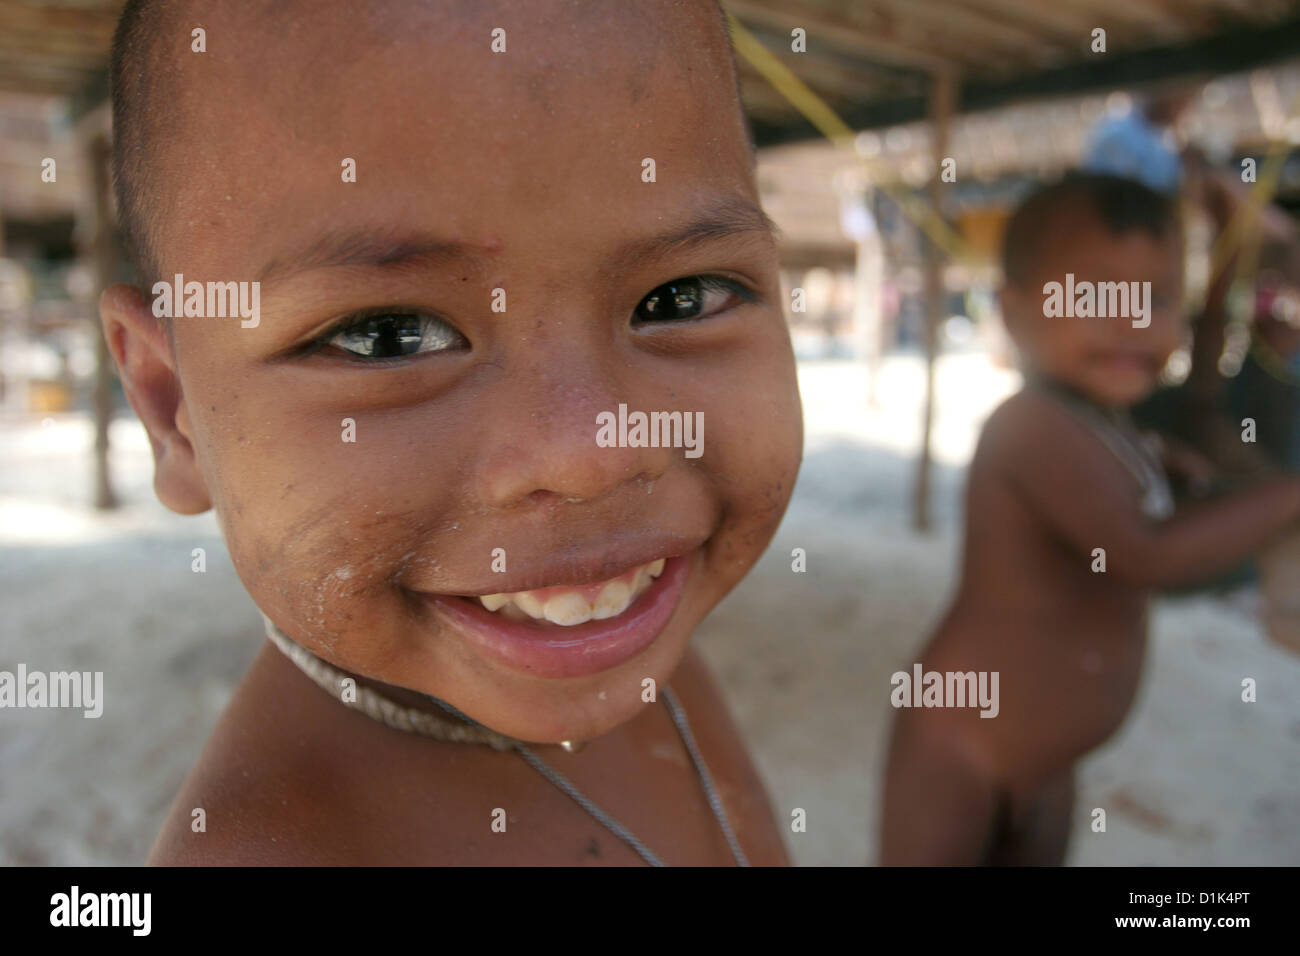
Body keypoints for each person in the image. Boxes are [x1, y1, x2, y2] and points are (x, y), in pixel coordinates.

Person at [100, 0, 802, 865]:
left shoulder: (640, 645)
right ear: (171, 408)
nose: (590, 457)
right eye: (386, 337)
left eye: (680, 299)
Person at [880, 173, 1300, 865]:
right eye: (1095, 294)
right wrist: (1289, 497)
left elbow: (1200, 402)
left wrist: (1224, 275)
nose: (1134, 319)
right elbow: (1148, 554)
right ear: (1013, 315)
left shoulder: (1112, 424)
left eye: (1158, 298)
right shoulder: (1030, 429)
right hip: (958, 748)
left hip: (1044, 760)